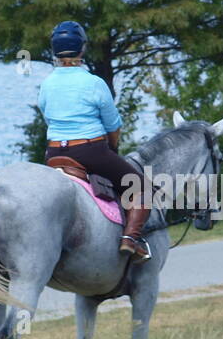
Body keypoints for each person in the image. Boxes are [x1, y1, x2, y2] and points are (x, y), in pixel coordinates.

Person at [38, 21, 151, 260]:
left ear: (54, 50)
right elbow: (113, 126)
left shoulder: (46, 84)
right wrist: (112, 149)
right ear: (82, 49)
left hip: (53, 154)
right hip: (90, 152)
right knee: (141, 187)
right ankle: (131, 239)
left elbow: (48, 118)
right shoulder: (94, 83)